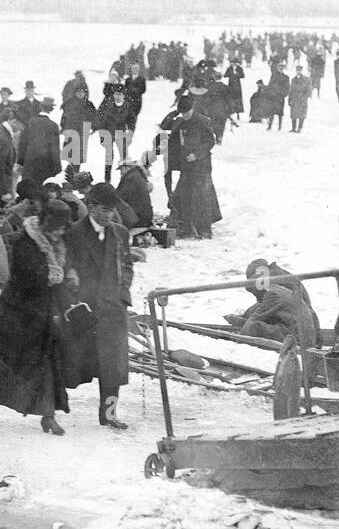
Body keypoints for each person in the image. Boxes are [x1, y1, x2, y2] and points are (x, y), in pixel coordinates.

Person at [0, 200, 73, 434]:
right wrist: (48, 275)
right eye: (59, 226)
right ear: (47, 222)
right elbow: (24, 274)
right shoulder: (25, 241)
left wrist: (67, 276)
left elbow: (63, 269)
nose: (62, 231)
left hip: (42, 312)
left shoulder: (58, 243)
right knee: (1, 360)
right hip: (15, 312)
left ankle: (48, 416)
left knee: (46, 363)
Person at [60, 183, 135, 431]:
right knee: (73, 362)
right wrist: (74, 301)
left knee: (113, 370)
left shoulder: (120, 233)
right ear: (91, 207)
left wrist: (123, 294)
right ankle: (54, 409)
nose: (110, 215)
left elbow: (127, 266)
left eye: (113, 210)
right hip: (85, 310)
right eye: (104, 209)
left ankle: (109, 414)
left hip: (113, 309)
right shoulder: (74, 233)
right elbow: (66, 268)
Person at [223, 261, 320, 346]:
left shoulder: (273, 291)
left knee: (253, 326)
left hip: (299, 338)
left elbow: (255, 318)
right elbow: (261, 307)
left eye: (254, 292)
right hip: (307, 332)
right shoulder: (274, 286)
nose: (256, 296)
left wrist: (237, 334)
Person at [166, 95, 221, 240]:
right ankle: (185, 227)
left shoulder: (203, 121)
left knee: (201, 197)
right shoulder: (179, 121)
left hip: (201, 167)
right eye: (182, 113)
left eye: (187, 112)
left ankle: (204, 229)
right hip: (186, 166)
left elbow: (210, 142)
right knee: (183, 195)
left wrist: (196, 155)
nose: (185, 116)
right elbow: (166, 128)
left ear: (192, 109)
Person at [19, 95, 62, 184]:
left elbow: (22, 144)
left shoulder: (30, 122)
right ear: (51, 109)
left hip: (29, 165)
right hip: (45, 167)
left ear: (41, 107)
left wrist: (20, 163)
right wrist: (57, 169)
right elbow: (55, 150)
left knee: (28, 191)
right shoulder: (53, 126)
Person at [95, 84, 133, 183]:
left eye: (119, 94)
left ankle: (125, 179)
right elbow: (100, 118)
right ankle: (107, 180)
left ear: (124, 95)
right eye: (116, 94)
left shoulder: (127, 106)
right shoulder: (107, 104)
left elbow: (131, 120)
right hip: (108, 131)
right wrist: (102, 135)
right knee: (109, 157)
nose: (117, 96)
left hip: (121, 133)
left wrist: (130, 131)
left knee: (124, 157)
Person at [60, 84, 97, 169]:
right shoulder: (69, 103)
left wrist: (94, 127)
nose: (80, 94)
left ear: (85, 93)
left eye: (82, 92)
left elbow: (94, 117)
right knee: (70, 155)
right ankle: (71, 174)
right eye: (78, 92)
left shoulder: (89, 105)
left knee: (78, 158)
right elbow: (64, 118)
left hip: (82, 133)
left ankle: (75, 174)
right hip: (70, 132)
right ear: (75, 92)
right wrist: (63, 128)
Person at [115, 154, 154, 229]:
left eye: (121, 169)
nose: (120, 173)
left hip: (138, 218)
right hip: (143, 216)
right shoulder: (136, 175)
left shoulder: (131, 178)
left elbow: (120, 197)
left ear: (127, 167)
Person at [266, 60, 290, 130]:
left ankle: (279, 126)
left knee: (280, 113)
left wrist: (284, 94)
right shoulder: (274, 75)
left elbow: (287, 87)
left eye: (282, 67)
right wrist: (270, 93)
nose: (281, 68)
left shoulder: (286, 77)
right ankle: (269, 126)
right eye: (280, 67)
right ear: (277, 68)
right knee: (271, 112)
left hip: (280, 97)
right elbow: (270, 84)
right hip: (273, 96)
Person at [288, 65, 312, 133]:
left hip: (302, 100)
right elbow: (291, 90)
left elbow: (309, 89)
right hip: (294, 99)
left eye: (300, 70)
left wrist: (305, 96)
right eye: (297, 70)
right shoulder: (293, 80)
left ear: (301, 71)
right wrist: (290, 99)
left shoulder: (306, 79)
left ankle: (300, 128)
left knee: (301, 114)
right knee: (293, 114)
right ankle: (293, 128)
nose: (298, 72)